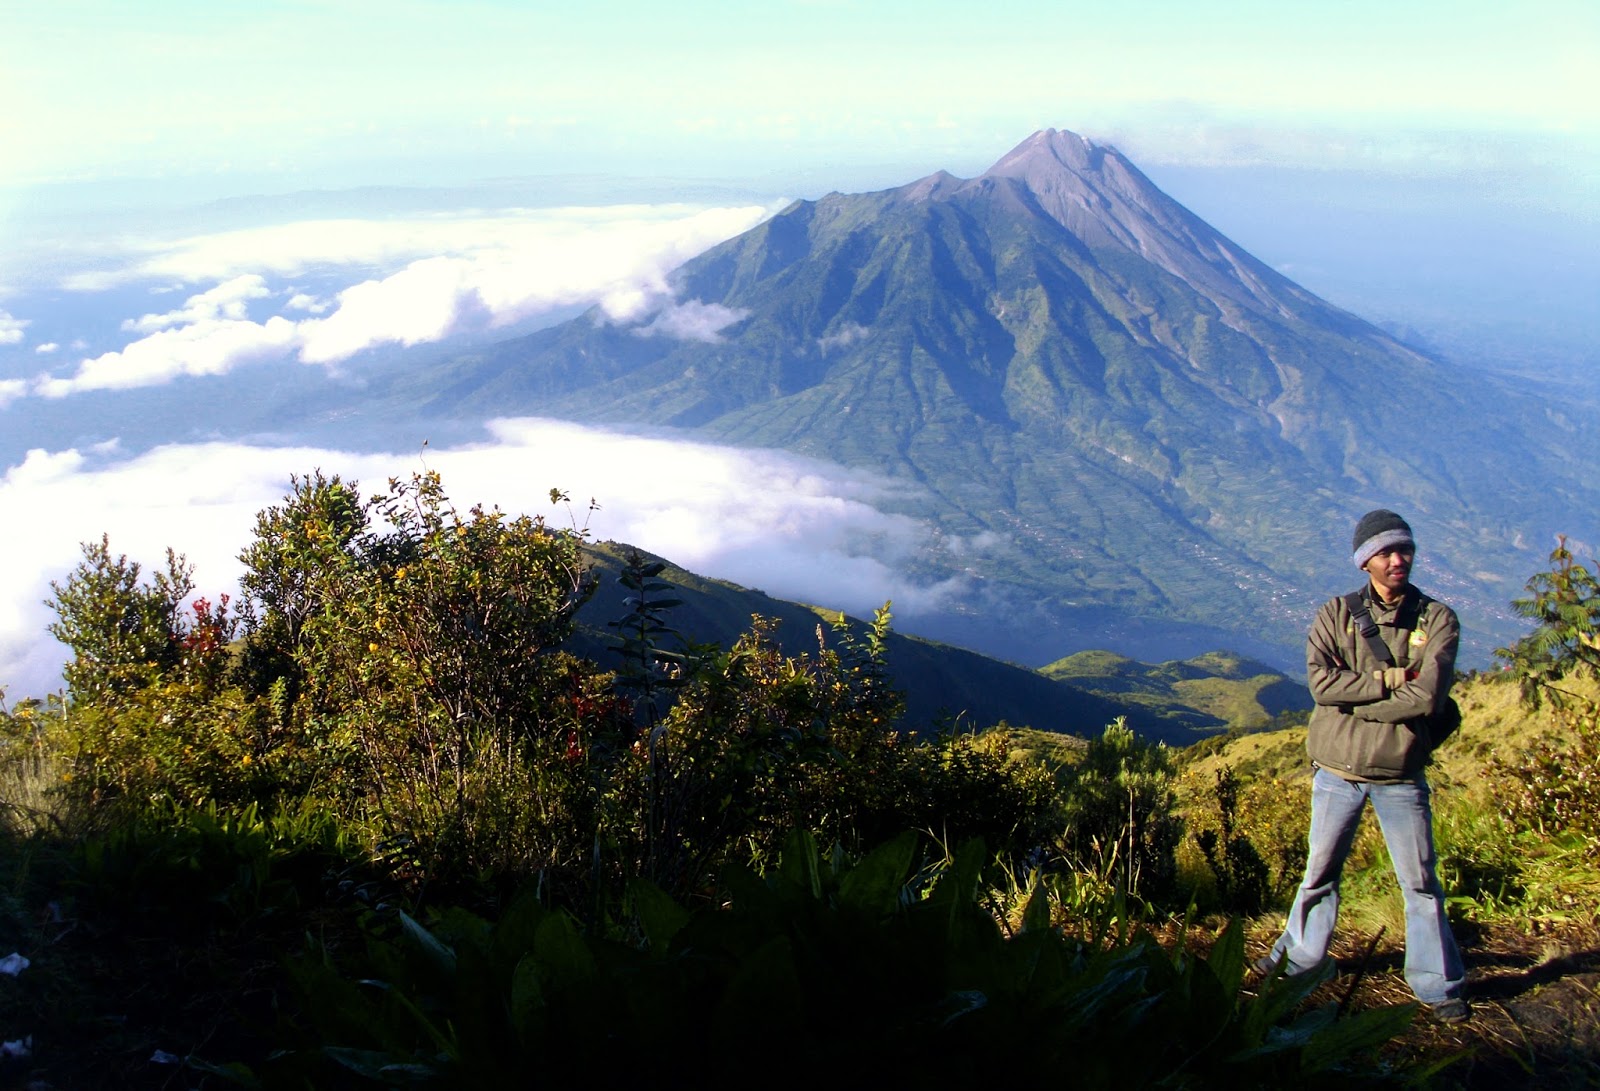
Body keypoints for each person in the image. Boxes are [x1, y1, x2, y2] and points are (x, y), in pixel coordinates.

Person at [1260, 509, 1469, 1023]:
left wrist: (1355, 698)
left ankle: (1438, 985)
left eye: (1405, 549)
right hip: (1338, 769)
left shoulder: (1437, 619)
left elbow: (1426, 698)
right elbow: (1320, 686)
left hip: (1399, 774)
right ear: (1364, 562)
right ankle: (1297, 960)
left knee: (1419, 882)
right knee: (1319, 873)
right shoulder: (1335, 614)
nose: (1397, 560)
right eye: (1384, 552)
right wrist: (1391, 681)